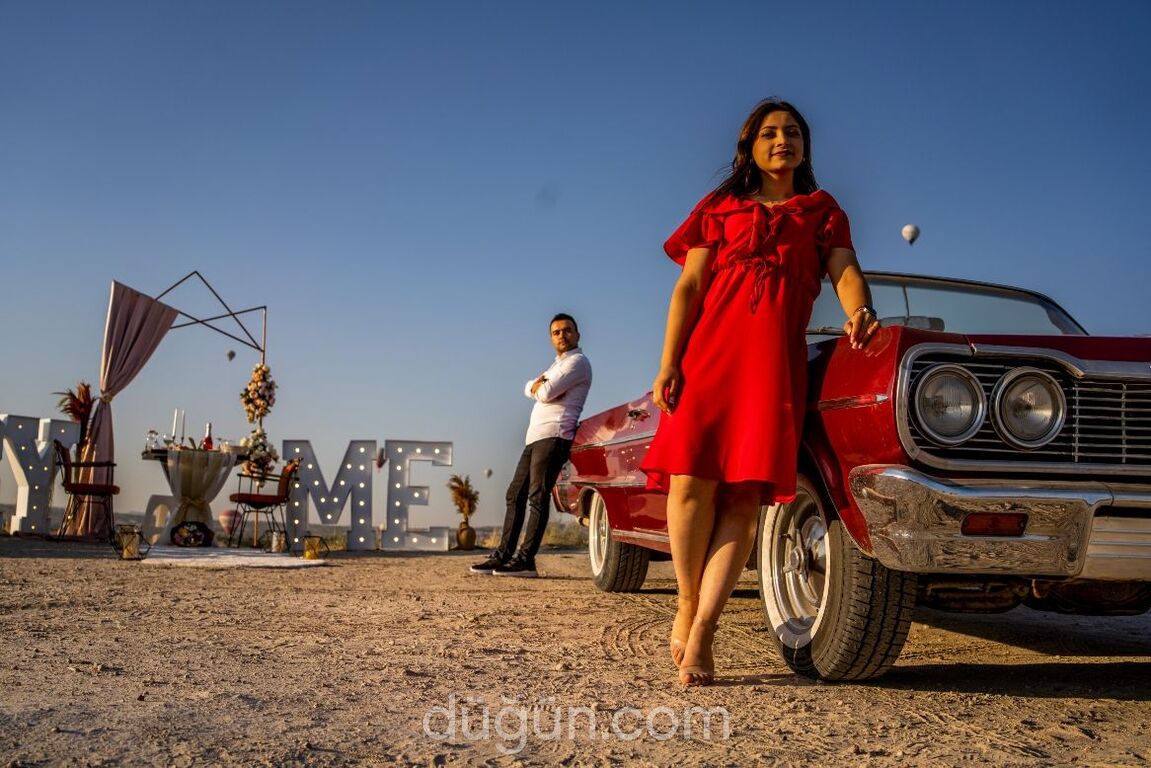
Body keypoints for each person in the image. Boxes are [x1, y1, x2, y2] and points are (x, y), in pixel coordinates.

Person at [640, 99, 880, 686]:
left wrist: (861, 308)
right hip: (707, 361)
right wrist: (669, 362)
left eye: (793, 132)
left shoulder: (822, 212)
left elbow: (845, 269)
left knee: (743, 501)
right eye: (770, 133)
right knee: (690, 486)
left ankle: (703, 632)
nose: (783, 140)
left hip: (772, 371)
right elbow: (689, 286)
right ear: (749, 146)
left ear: (805, 146)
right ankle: (685, 603)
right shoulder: (720, 208)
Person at [471, 313, 592, 578]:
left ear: (577, 335)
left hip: (555, 435)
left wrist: (538, 387)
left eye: (567, 330)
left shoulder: (578, 363)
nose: (562, 335)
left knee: (537, 497)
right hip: (535, 438)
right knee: (515, 494)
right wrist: (535, 386)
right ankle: (503, 555)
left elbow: (545, 393)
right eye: (556, 332)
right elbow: (529, 387)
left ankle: (526, 561)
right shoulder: (555, 366)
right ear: (551, 338)